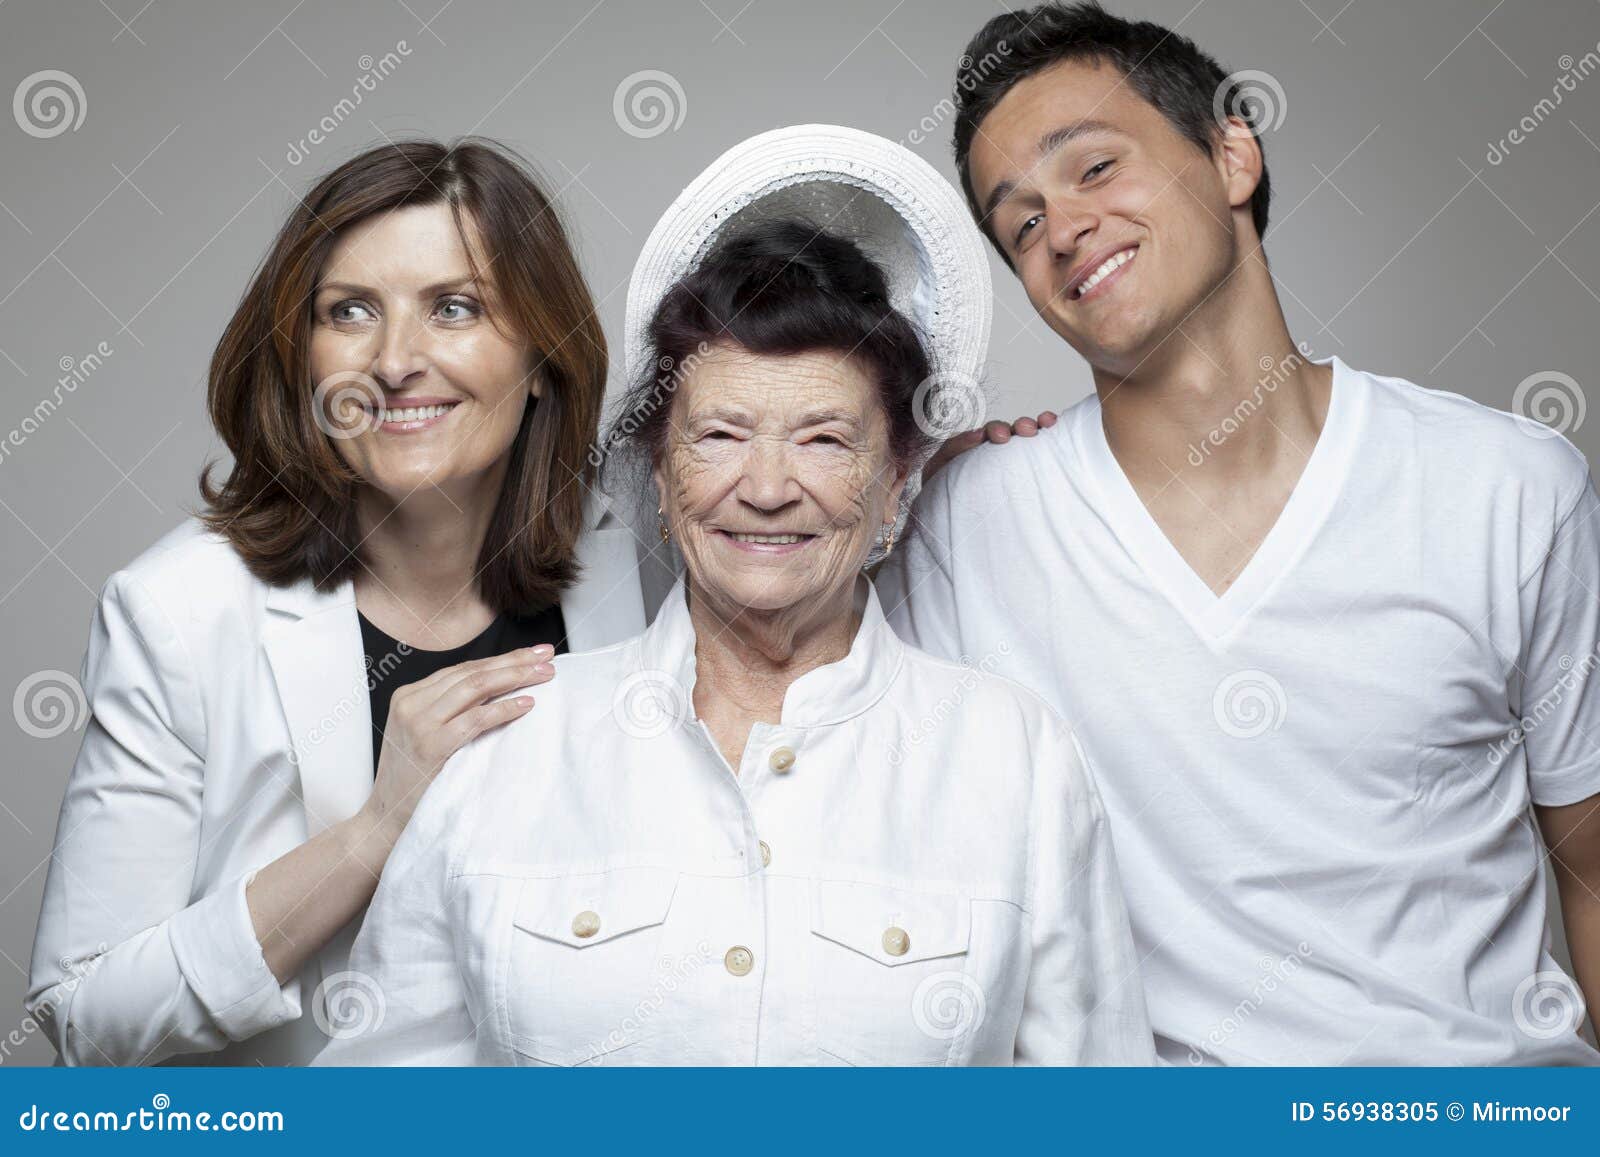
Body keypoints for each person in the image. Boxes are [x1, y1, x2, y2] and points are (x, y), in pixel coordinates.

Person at [316, 126, 1153, 1067]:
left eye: (825, 440)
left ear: (895, 483)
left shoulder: (1016, 760)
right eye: (719, 434)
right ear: (661, 477)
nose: (765, 486)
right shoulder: (506, 749)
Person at [877, 1, 1600, 1065]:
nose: (1063, 228)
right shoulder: (960, 522)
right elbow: (753, 701)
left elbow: (1586, 864)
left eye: (1092, 168)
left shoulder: (1508, 485)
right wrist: (881, 480)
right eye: (1021, 222)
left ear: (1230, 155)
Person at [27, 138, 665, 1066]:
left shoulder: (650, 570)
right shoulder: (178, 612)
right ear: (303, 359)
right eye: (351, 311)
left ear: (541, 357)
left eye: (455, 307)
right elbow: (87, 1013)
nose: (396, 360)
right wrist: (376, 828)